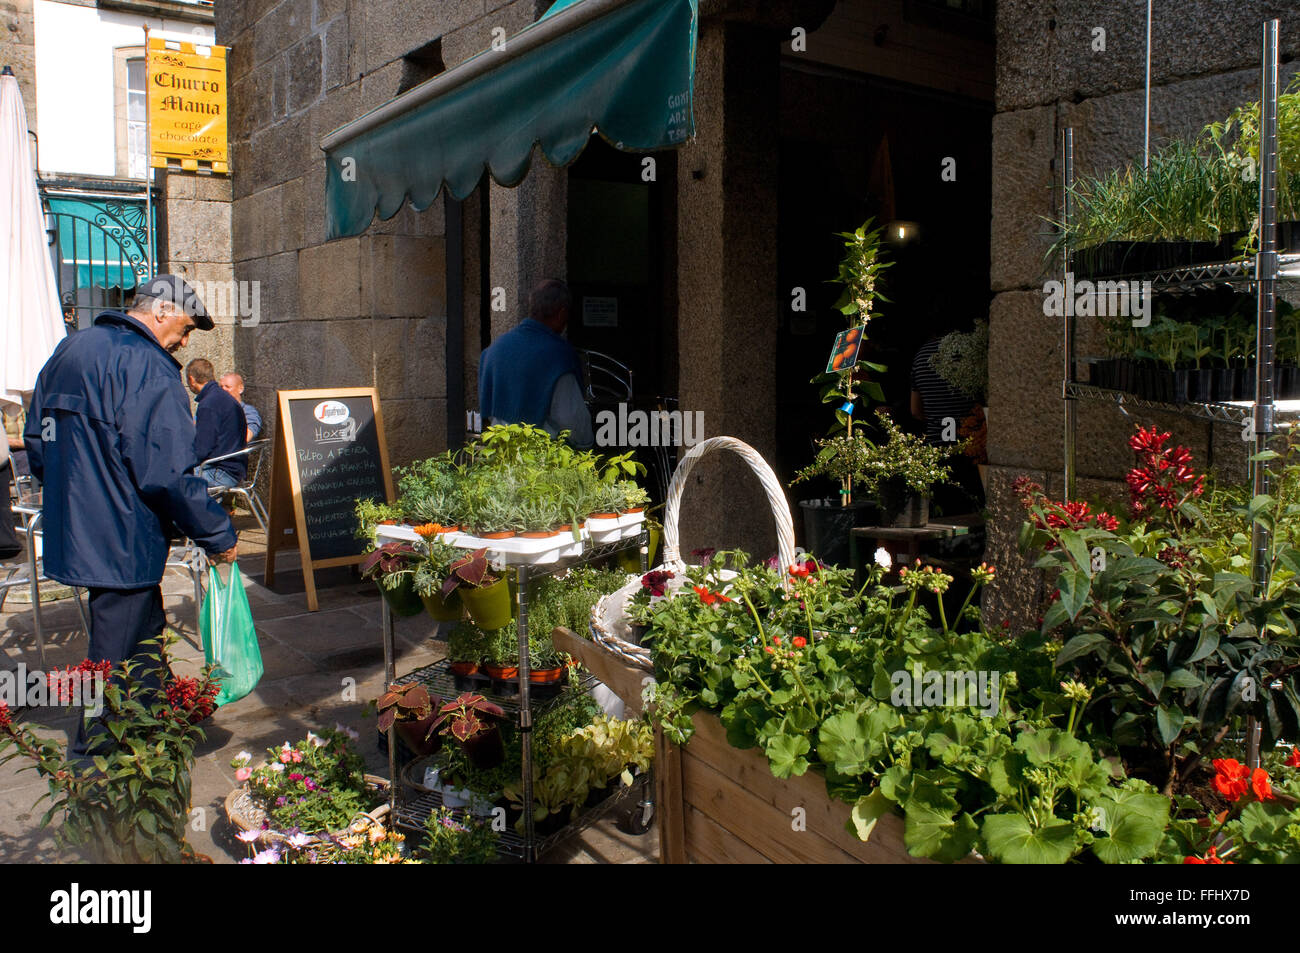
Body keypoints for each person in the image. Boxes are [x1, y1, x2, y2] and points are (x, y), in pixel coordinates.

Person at [24, 274, 237, 764]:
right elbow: (165, 472)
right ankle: (93, 750)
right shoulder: (149, 366)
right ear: (160, 311)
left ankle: (150, 719)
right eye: (184, 329)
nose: (185, 342)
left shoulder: (69, 350)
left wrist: (72, 493)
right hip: (123, 534)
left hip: (81, 526)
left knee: (141, 628)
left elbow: (39, 442)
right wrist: (217, 533)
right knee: (113, 650)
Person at [478, 278, 594, 447]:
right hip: (543, 460)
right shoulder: (558, 355)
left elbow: (488, 414)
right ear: (562, 314)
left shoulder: (493, 350)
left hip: (501, 456)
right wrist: (588, 446)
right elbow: (573, 421)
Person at [186, 358, 247, 489]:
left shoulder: (208, 404)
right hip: (234, 468)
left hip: (220, 472)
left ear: (191, 380)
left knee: (171, 479)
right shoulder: (223, 397)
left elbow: (201, 450)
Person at [220, 371, 262, 441]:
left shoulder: (248, 412)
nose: (223, 390)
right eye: (221, 387)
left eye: (227, 387)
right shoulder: (215, 410)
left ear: (240, 389)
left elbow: (245, 437)